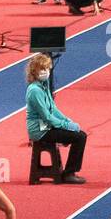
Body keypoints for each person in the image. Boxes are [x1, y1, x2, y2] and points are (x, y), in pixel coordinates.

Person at [24, 52, 87, 183]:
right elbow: (47, 117)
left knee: (77, 133)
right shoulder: (35, 90)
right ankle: (69, 174)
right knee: (80, 137)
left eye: (47, 68)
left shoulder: (44, 85)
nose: (46, 72)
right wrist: (66, 126)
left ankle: (68, 171)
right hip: (40, 132)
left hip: (48, 127)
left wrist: (67, 121)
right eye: (42, 69)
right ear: (34, 71)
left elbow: (53, 109)